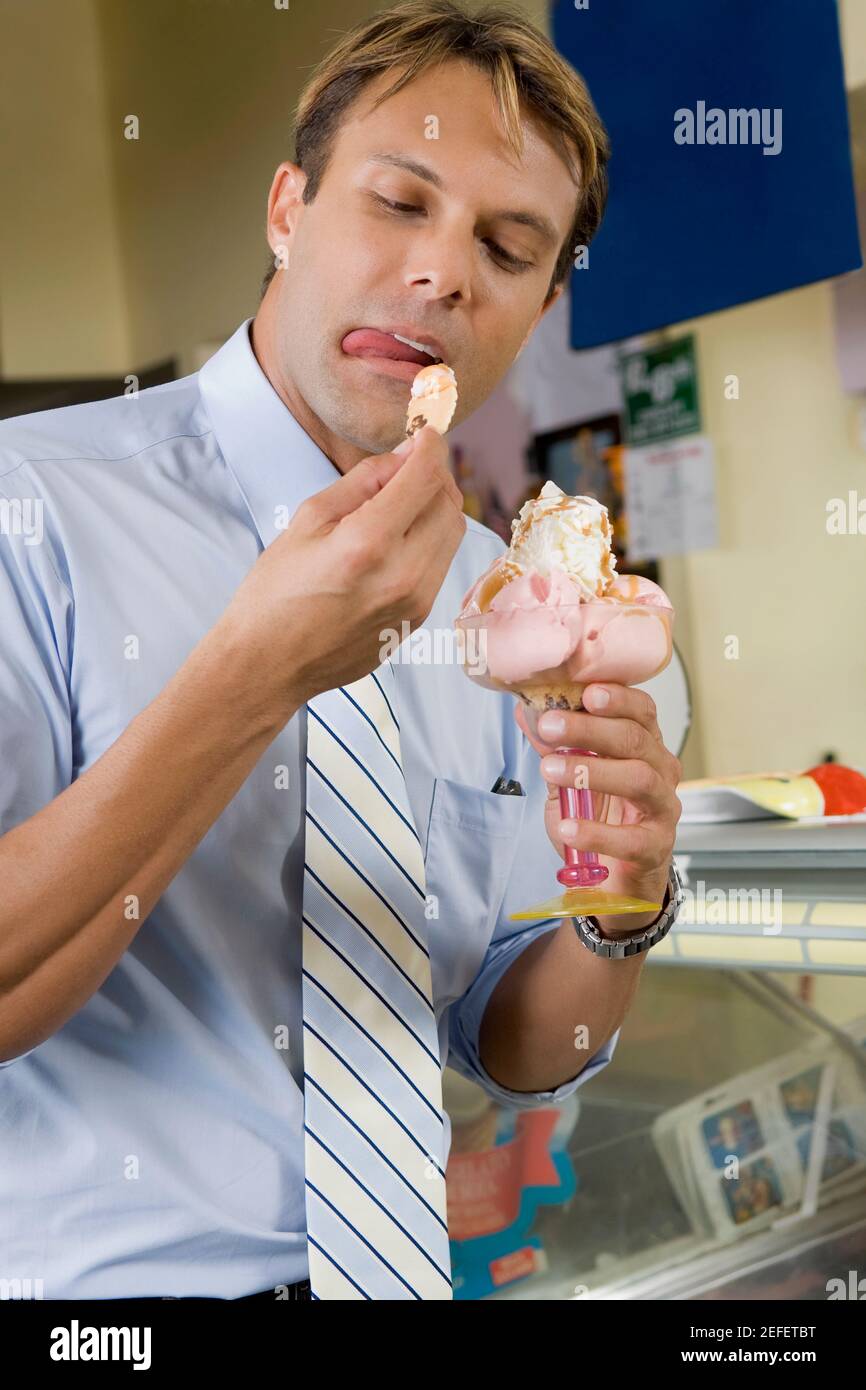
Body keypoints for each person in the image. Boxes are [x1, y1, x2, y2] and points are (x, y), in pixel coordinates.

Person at [0, 0, 682, 1302]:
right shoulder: (25, 510)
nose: (441, 273)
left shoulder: (509, 609)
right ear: (284, 209)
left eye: (505, 245)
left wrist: (619, 908)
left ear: (537, 306)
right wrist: (259, 670)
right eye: (397, 201)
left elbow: (507, 1045)